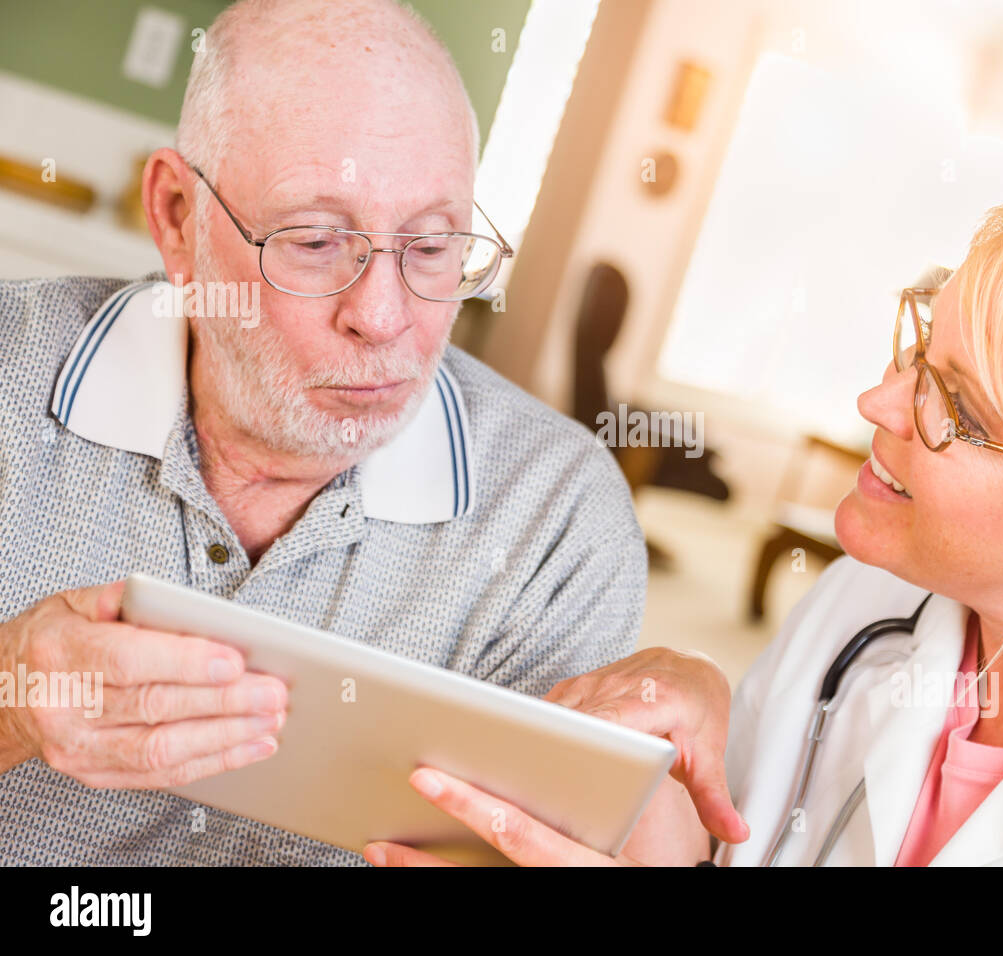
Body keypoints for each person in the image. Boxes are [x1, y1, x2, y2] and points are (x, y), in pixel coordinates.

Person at [366, 183, 1003, 866]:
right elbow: (735, 849)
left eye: (958, 407)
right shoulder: (871, 595)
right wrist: (659, 781)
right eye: (918, 351)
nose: (877, 400)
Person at [0, 0, 649, 865]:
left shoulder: (557, 520)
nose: (383, 318)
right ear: (177, 217)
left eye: (433, 247)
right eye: (313, 241)